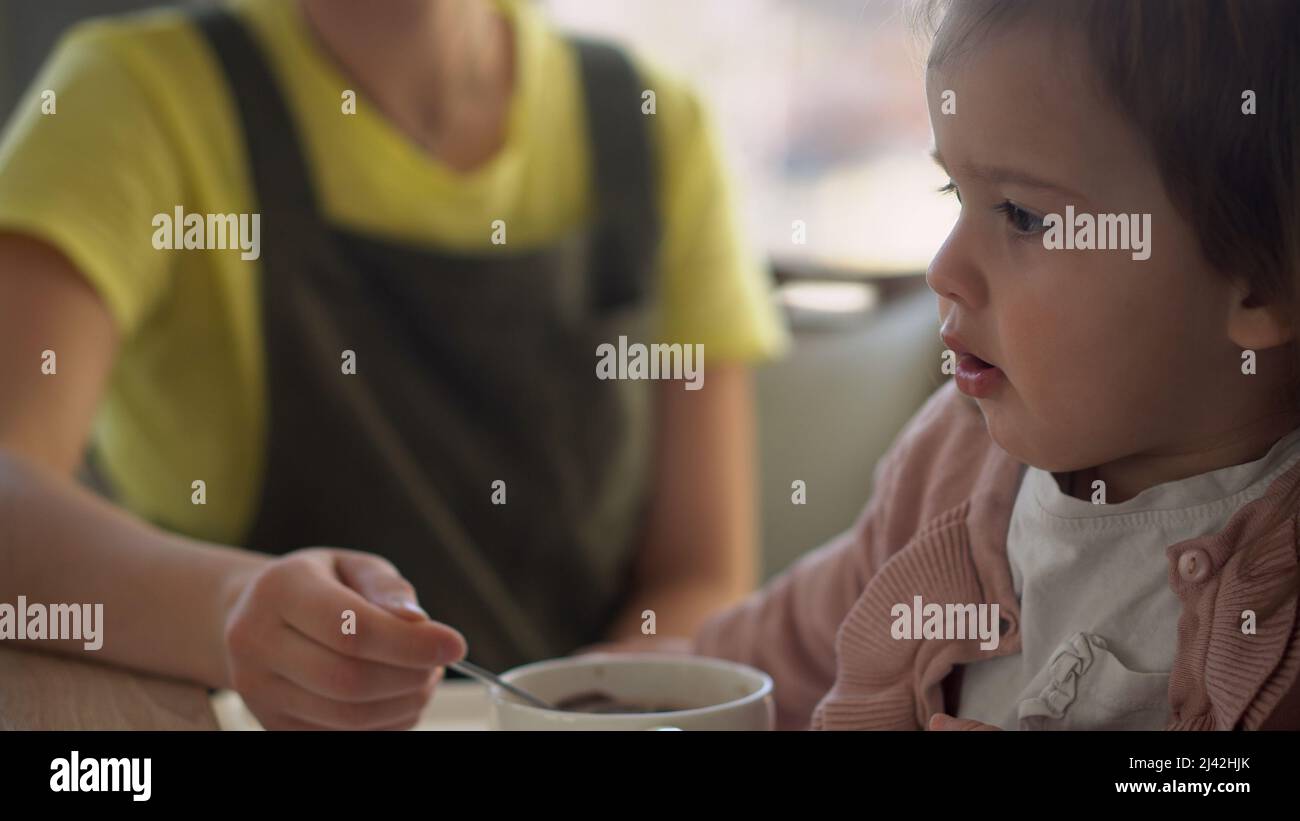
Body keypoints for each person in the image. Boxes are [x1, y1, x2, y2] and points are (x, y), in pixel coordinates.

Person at [0, 0, 786, 729]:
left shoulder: (656, 125)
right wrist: (227, 607)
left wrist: (576, 711)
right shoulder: (136, 100)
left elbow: (701, 572)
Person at [675, 0, 1300, 730]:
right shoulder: (951, 465)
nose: (944, 268)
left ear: (1260, 280)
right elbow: (748, 666)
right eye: (955, 192)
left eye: (1024, 216)